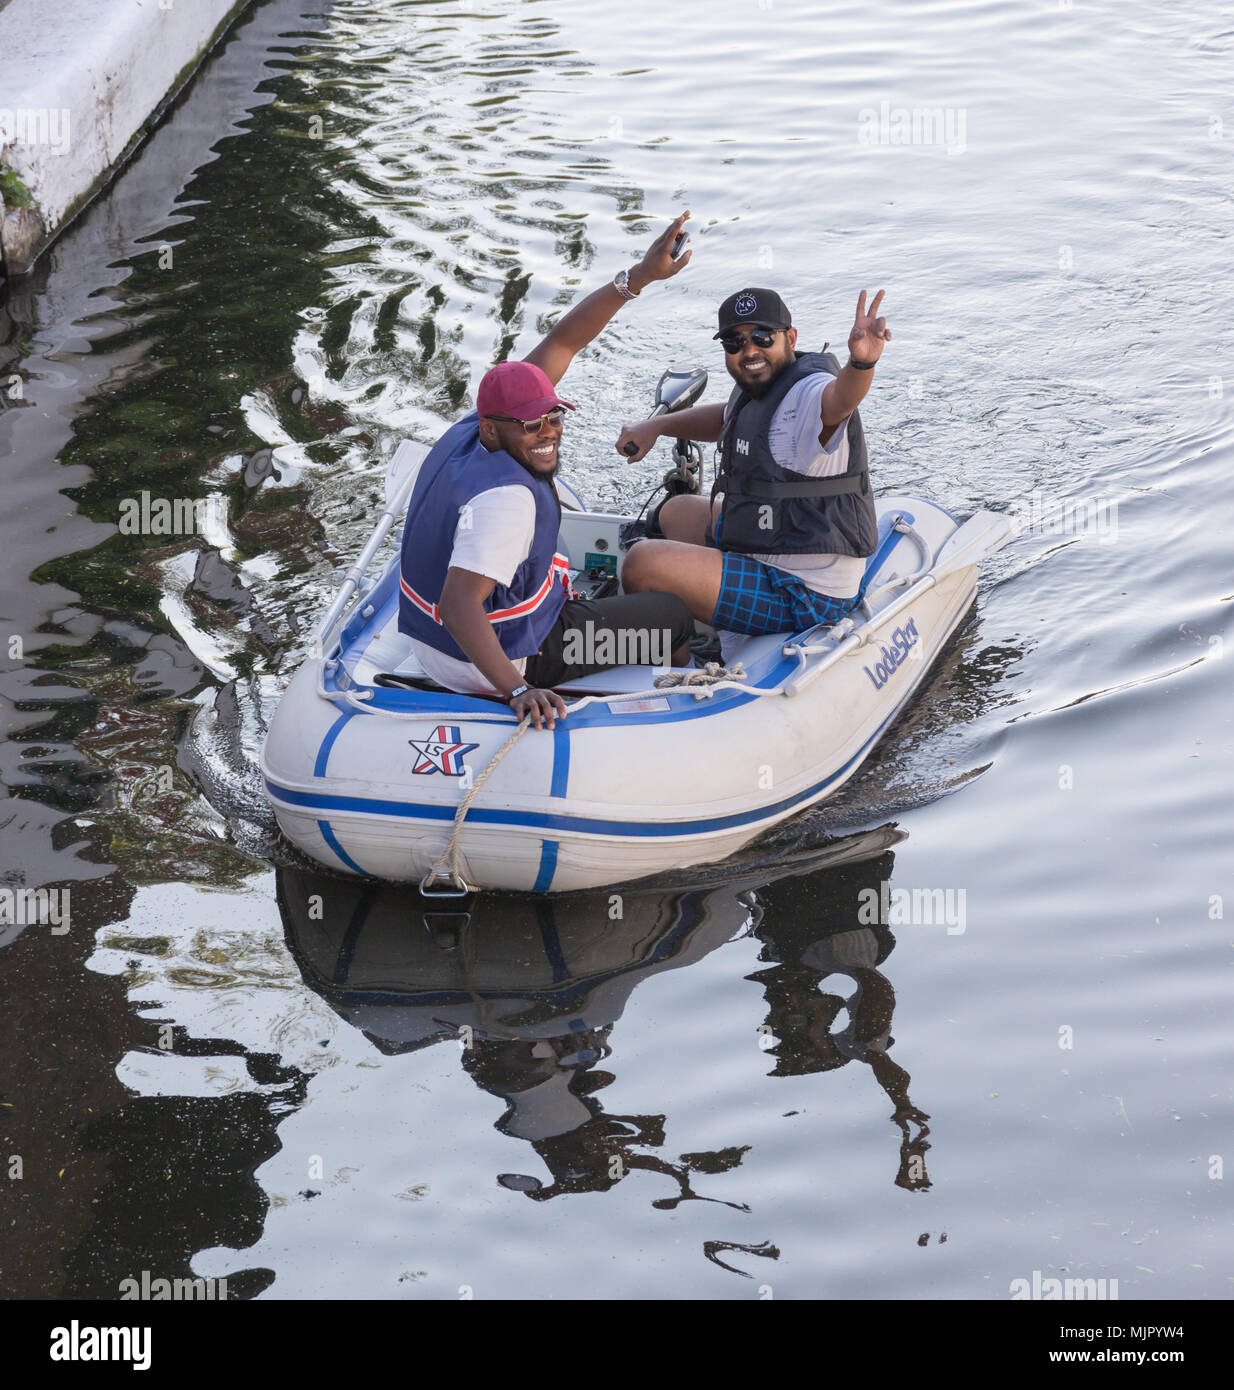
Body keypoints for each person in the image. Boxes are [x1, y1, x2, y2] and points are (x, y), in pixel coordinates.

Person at [398, 213, 696, 730]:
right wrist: (517, 688)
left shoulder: (471, 430)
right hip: (499, 659)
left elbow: (563, 343)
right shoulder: (506, 502)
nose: (548, 432)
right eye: (531, 425)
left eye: (553, 416)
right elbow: (458, 603)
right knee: (669, 615)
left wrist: (638, 279)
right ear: (495, 430)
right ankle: (686, 708)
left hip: (426, 648)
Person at [616, 286, 891, 642]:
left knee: (643, 563)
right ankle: (697, 606)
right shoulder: (763, 387)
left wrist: (862, 364)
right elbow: (726, 419)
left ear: (790, 337)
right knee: (676, 511)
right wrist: (656, 426)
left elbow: (840, 400)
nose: (749, 351)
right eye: (735, 342)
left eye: (762, 337)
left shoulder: (810, 395)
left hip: (807, 591)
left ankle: (679, 665)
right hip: (775, 547)